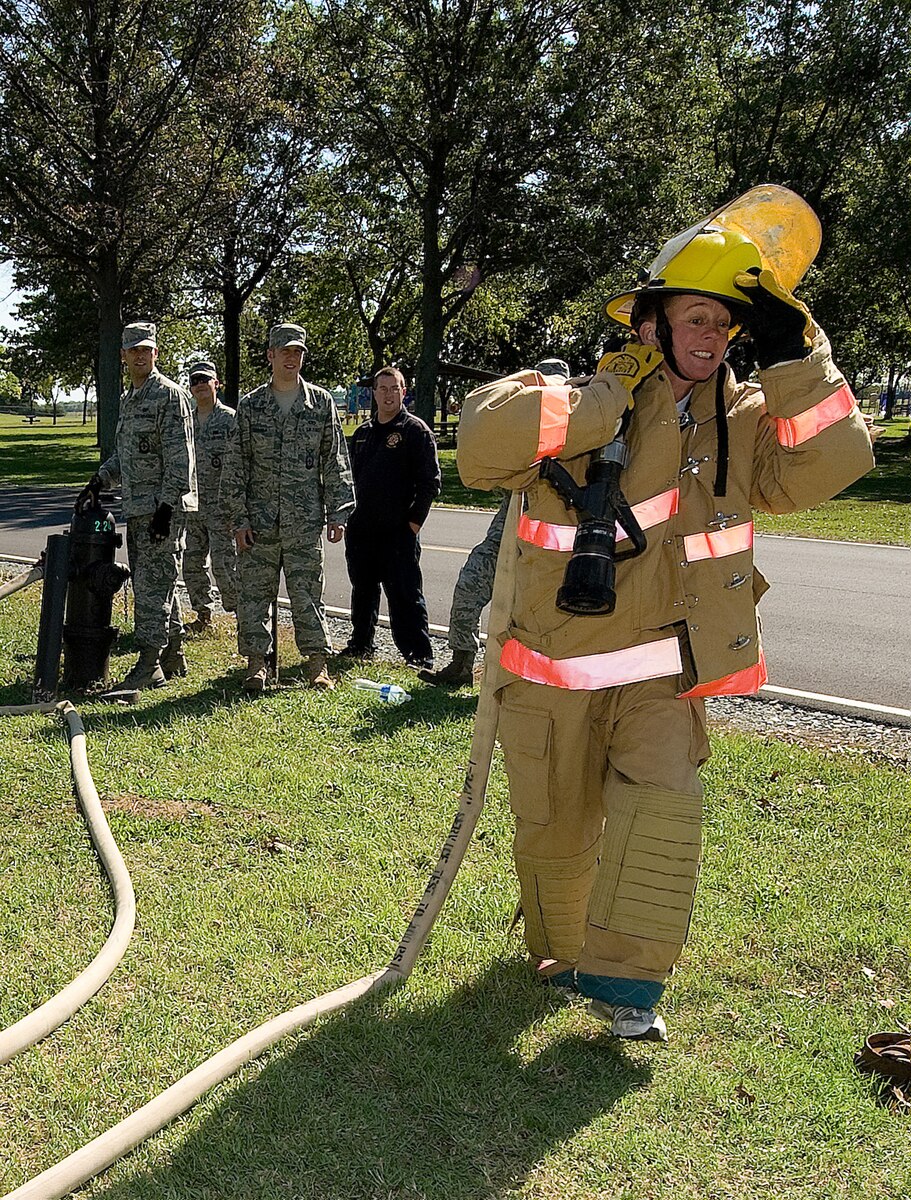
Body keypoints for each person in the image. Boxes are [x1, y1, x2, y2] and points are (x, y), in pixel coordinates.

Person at [456, 194, 874, 1043]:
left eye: (727, 322)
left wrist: (802, 360)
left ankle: (627, 986)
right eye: (694, 315)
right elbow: (479, 447)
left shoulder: (748, 420)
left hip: (662, 677)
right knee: (555, 834)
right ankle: (559, 949)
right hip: (548, 679)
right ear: (647, 322)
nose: (713, 334)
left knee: (663, 812)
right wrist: (604, 396)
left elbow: (834, 461)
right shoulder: (582, 402)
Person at [219, 322, 354, 692]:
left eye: (298, 352)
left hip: (303, 521)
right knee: (254, 596)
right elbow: (235, 465)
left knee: (308, 594)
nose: (292, 358)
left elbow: (334, 458)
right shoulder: (250, 406)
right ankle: (256, 665)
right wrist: (239, 519)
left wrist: (337, 512)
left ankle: (316, 664)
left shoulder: (320, 403)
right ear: (270, 356)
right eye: (285, 351)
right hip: (259, 524)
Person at [421, 361, 569, 688]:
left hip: (547, 546)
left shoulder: (578, 431)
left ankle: (526, 681)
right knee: (469, 585)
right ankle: (461, 665)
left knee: (530, 617)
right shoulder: (519, 425)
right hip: (504, 535)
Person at [75, 321, 197, 692]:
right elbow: (125, 457)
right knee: (160, 584)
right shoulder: (130, 400)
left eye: (147, 349)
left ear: (155, 354)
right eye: (134, 350)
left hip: (161, 512)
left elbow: (181, 459)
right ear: (124, 356)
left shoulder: (169, 396)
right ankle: (173, 655)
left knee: (149, 588)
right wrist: (98, 481)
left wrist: (165, 509)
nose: (140, 355)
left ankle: (149, 664)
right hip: (138, 509)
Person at [341, 366, 441, 668]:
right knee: (363, 591)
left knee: (405, 595)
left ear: (403, 391)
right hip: (361, 530)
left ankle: (418, 654)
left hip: (398, 532)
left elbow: (430, 483)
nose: (387, 394)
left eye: (394, 388)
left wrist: (413, 524)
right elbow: (350, 477)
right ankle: (361, 644)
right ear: (373, 393)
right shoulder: (362, 434)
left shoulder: (415, 431)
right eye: (382, 388)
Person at [183, 359, 237, 634]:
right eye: (195, 381)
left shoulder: (230, 420)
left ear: (217, 383)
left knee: (224, 564)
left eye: (205, 379)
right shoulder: (185, 422)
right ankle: (203, 614)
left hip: (222, 508)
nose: (200, 385)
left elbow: (241, 465)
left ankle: (242, 616)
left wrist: (236, 508)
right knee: (191, 564)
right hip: (192, 508)